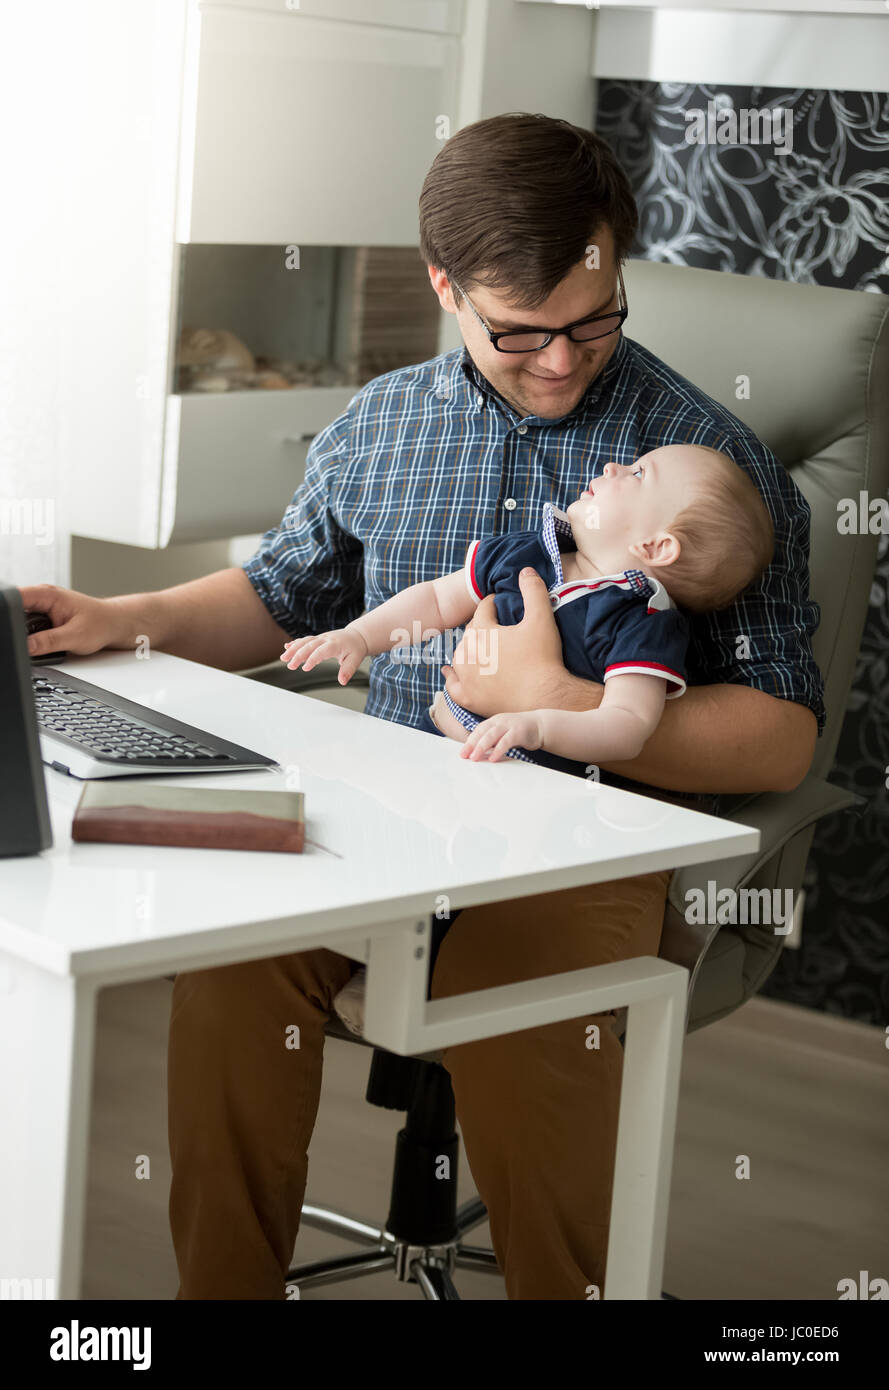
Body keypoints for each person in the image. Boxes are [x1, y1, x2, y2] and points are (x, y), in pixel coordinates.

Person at [19, 113, 825, 1300]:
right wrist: (119, 615)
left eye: (592, 324)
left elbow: (782, 729)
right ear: (444, 287)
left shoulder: (701, 459)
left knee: (526, 997)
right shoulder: (380, 425)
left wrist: (556, 697)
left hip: (584, 845)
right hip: (383, 814)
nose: (560, 361)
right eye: (518, 332)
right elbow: (278, 596)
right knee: (233, 964)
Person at [277, 442, 774, 772]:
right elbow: (435, 598)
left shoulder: (643, 622)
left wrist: (537, 724)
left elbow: (626, 729)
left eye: (640, 473)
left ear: (656, 547)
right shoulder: (527, 550)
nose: (613, 466)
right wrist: (361, 637)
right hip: (436, 754)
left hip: (539, 792)